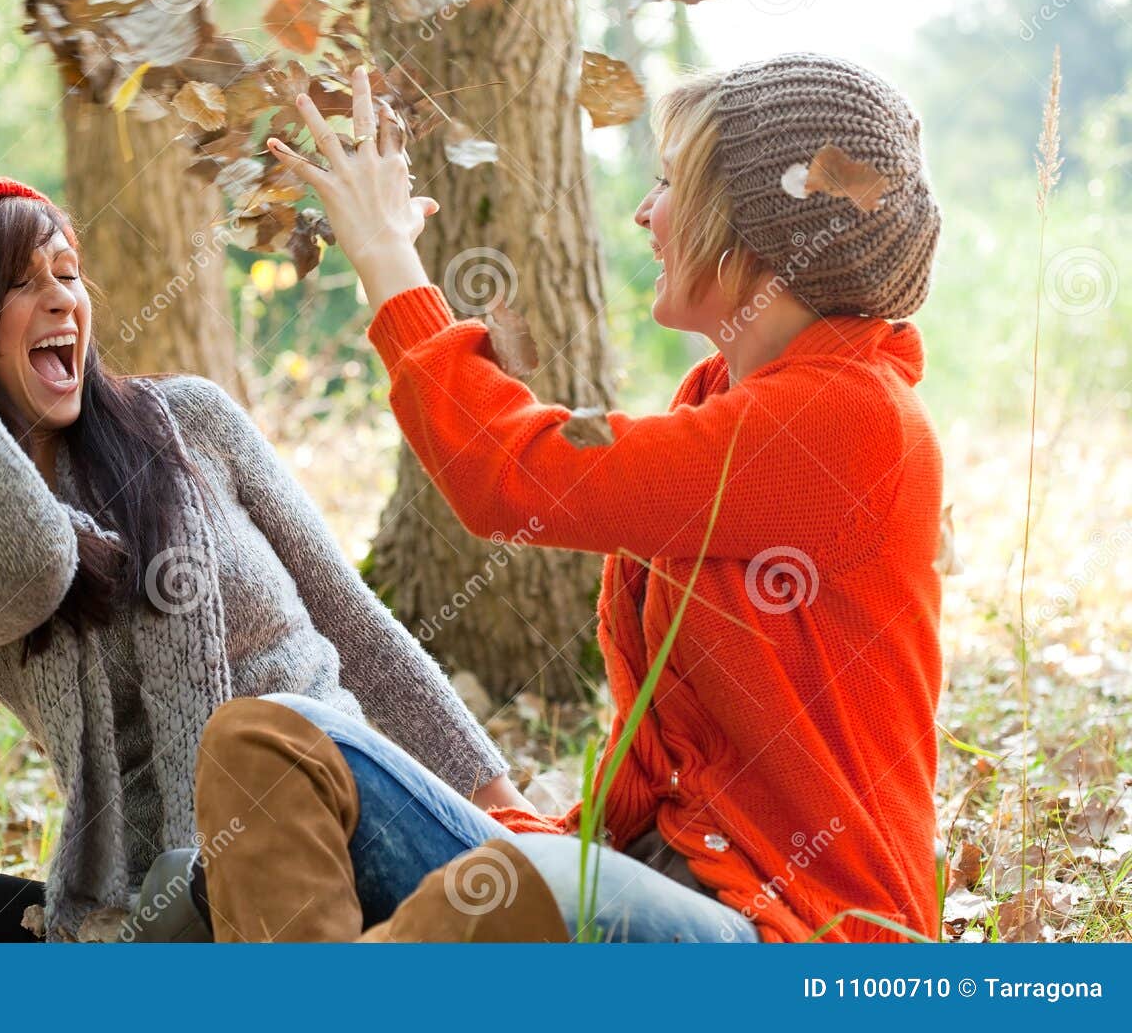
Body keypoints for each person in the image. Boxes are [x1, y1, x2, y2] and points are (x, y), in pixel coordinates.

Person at [178, 54, 945, 943]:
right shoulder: (716, 396)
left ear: (756, 226)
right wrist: (535, 824)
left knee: (519, 883)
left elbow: (516, 471)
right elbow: (672, 753)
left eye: (667, 183)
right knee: (269, 743)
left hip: (791, 935)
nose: (645, 212)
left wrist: (388, 257)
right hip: (639, 882)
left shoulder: (849, 421)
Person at [0, 170, 524, 943]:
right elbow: (33, 559)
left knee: (175, 880)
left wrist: (501, 804)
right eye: (21, 283)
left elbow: (354, 625)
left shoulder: (194, 421)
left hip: (326, 835)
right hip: (153, 901)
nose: (62, 298)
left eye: (67, 272)